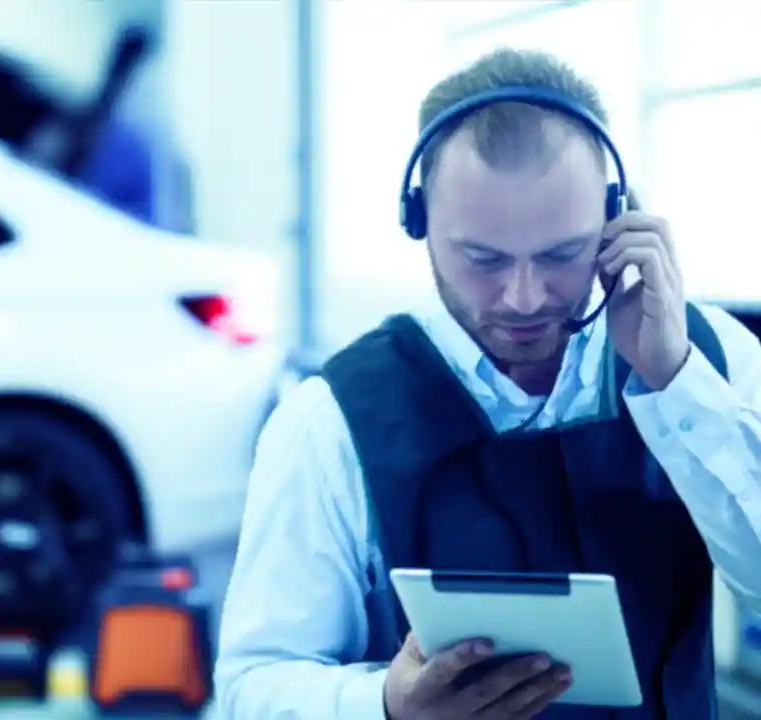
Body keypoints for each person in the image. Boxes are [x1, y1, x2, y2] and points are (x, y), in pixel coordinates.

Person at [214, 47, 761, 719]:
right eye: (484, 259)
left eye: (562, 255)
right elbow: (251, 687)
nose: (524, 297)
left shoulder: (710, 361)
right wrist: (385, 706)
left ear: (618, 219)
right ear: (419, 224)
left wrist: (676, 382)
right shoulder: (329, 422)